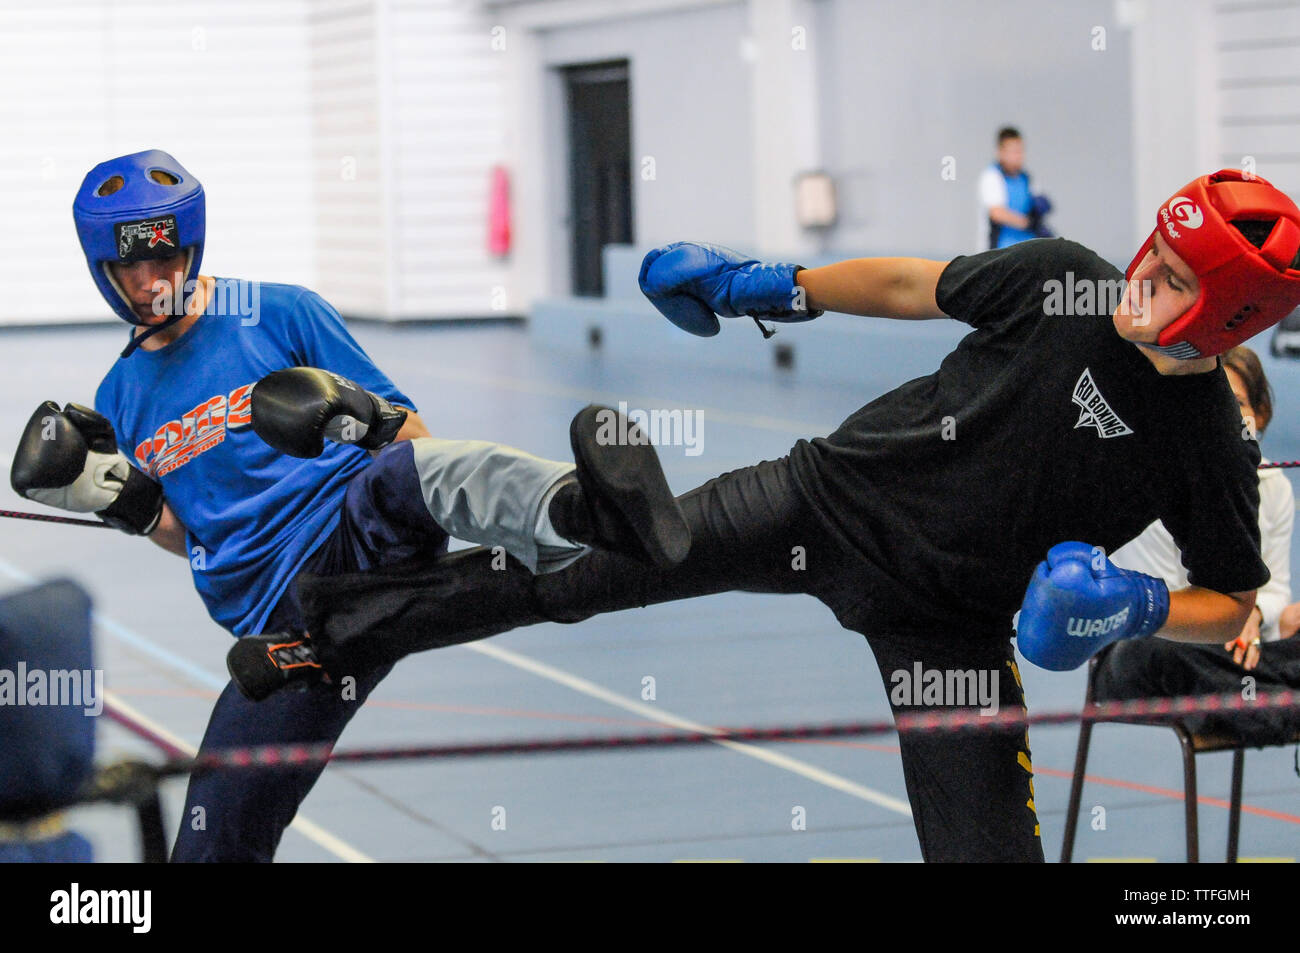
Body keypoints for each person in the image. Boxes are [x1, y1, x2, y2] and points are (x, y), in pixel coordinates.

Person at [236, 169, 1300, 862]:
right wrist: (765, 284)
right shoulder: (1067, 282)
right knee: (572, 576)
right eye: (1148, 251)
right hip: (822, 498)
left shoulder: (1207, 438)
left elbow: (1236, 605)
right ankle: (318, 631)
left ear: (1223, 316)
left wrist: (1137, 603)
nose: (1136, 276)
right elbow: (911, 283)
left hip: (951, 622)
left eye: (1165, 277)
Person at [8, 149, 689, 862]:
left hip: (355, 531)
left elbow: (415, 437)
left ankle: (579, 508)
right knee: (214, 830)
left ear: (190, 246)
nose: (150, 283)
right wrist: (134, 507)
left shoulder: (281, 312)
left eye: (164, 261)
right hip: (286, 632)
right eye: (129, 271)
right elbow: (190, 533)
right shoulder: (121, 395)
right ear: (102, 270)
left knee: (408, 471)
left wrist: (361, 417)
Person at [1099, 345, 1300, 745]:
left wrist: (1254, 614)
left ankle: (1264, 703)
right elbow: (1162, 609)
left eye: (1237, 403)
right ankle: (1278, 705)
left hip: (1235, 653)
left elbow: (1275, 589)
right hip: (1157, 648)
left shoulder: (1275, 487)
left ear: (1259, 415)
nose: (1223, 414)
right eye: (1216, 400)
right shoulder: (1157, 479)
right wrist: (1230, 617)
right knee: (1159, 651)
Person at [978, 126, 1053, 250]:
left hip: (1025, 249)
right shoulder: (992, 177)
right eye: (1013, 152)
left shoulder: (1026, 178)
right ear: (1000, 152)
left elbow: (1039, 201)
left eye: (1020, 151)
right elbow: (997, 213)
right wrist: (1028, 223)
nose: (1018, 156)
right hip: (998, 252)